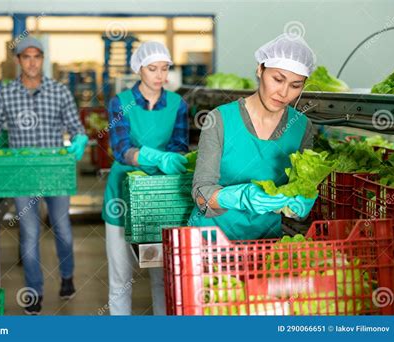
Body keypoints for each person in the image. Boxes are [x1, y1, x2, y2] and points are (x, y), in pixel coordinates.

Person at [0, 36, 88, 315]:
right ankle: (34, 292)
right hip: (22, 175)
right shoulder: (6, 94)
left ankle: (67, 275)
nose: (32, 61)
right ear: (18, 61)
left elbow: (76, 127)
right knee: (29, 232)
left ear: (42, 59)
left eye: (37, 56)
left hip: (54, 173)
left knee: (63, 230)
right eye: (26, 56)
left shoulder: (59, 92)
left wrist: (80, 139)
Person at [189, 33, 317, 240]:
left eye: (296, 85)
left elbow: (300, 187)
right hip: (211, 241)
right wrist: (240, 197)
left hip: (265, 244)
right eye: (277, 79)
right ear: (260, 69)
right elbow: (200, 194)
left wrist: (302, 200)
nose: (284, 93)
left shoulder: (302, 127)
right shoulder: (220, 119)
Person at [102, 41, 189, 315]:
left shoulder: (178, 104)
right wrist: (155, 157)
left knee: (163, 277)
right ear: (139, 69)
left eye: (165, 69)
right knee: (120, 276)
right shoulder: (122, 103)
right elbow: (120, 149)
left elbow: (178, 145)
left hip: (160, 195)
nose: (160, 76)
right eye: (153, 69)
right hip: (121, 195)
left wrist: (170, 158)